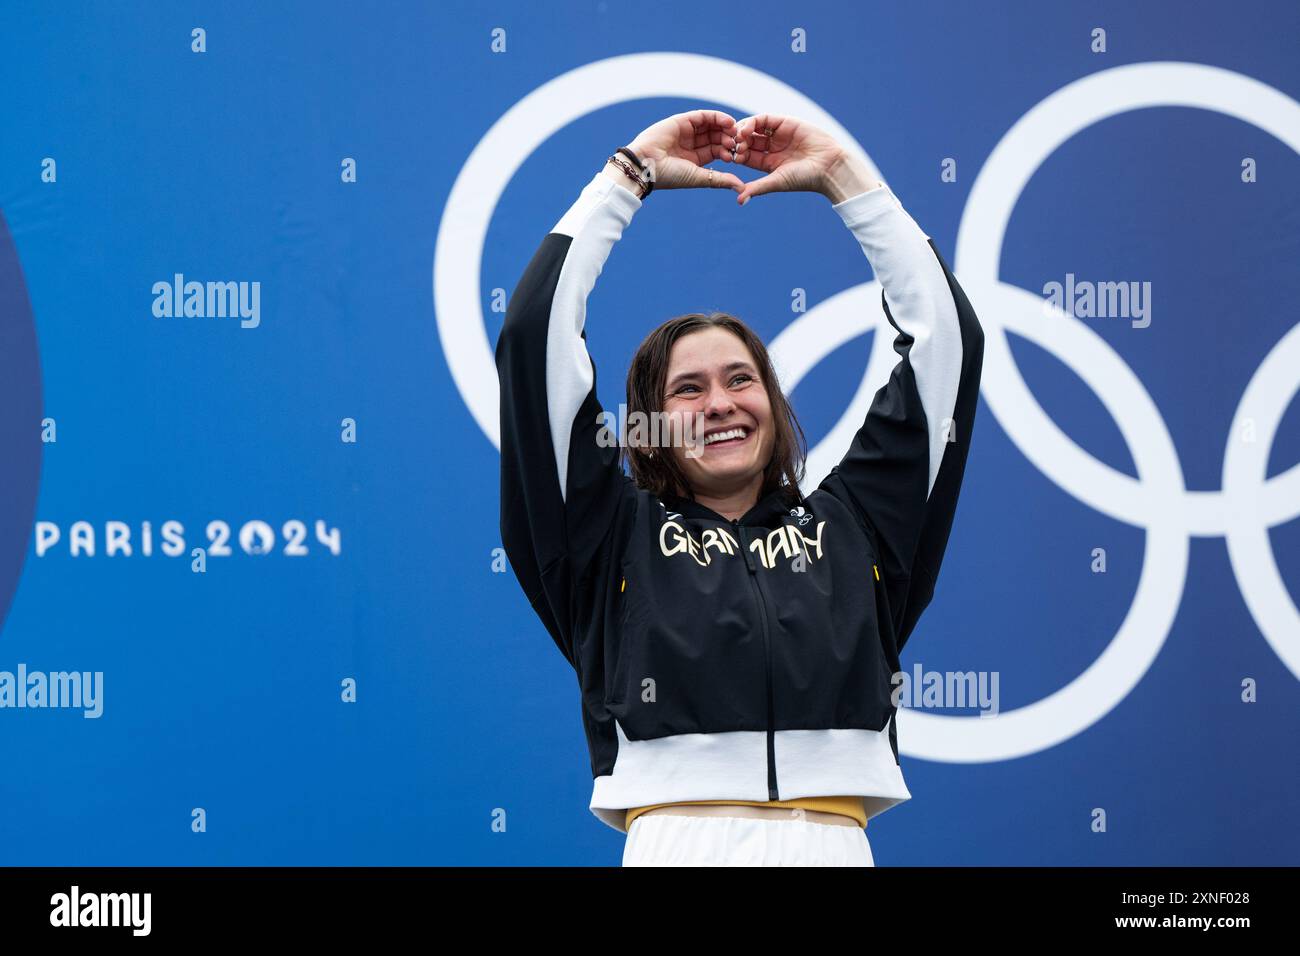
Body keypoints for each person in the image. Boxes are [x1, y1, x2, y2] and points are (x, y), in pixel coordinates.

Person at [495, 109, 984, 865]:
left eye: (741, 379)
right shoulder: (604, 539)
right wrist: (628, 178)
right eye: (687, 389)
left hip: (835, 842)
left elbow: (947, 343)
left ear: (773, 402)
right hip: (677, 840)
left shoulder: (861, 526)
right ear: (650, 424)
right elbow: (535, 339)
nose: (720, 403)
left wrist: (848, 182)